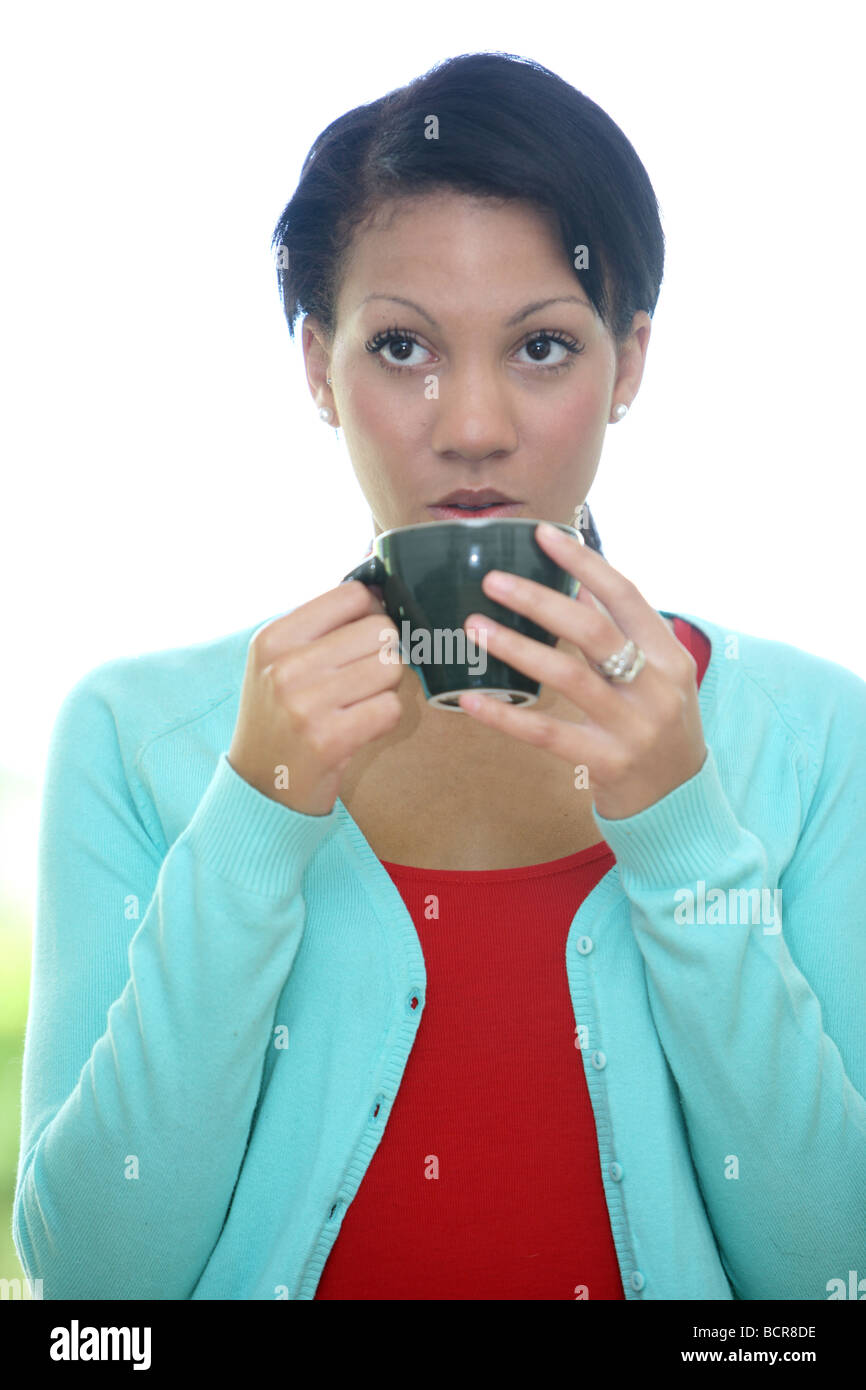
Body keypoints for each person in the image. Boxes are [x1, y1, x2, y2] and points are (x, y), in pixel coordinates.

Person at [13, 51, 866, 1302]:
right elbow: (94, 1280)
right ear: (317, 365)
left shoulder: (810, 735)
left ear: (628, 363)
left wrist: (685, 831)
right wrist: (253, 814)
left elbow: (828, 1270)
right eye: (402, 344)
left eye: (541, 346)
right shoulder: (138, 737)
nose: (470, 423)